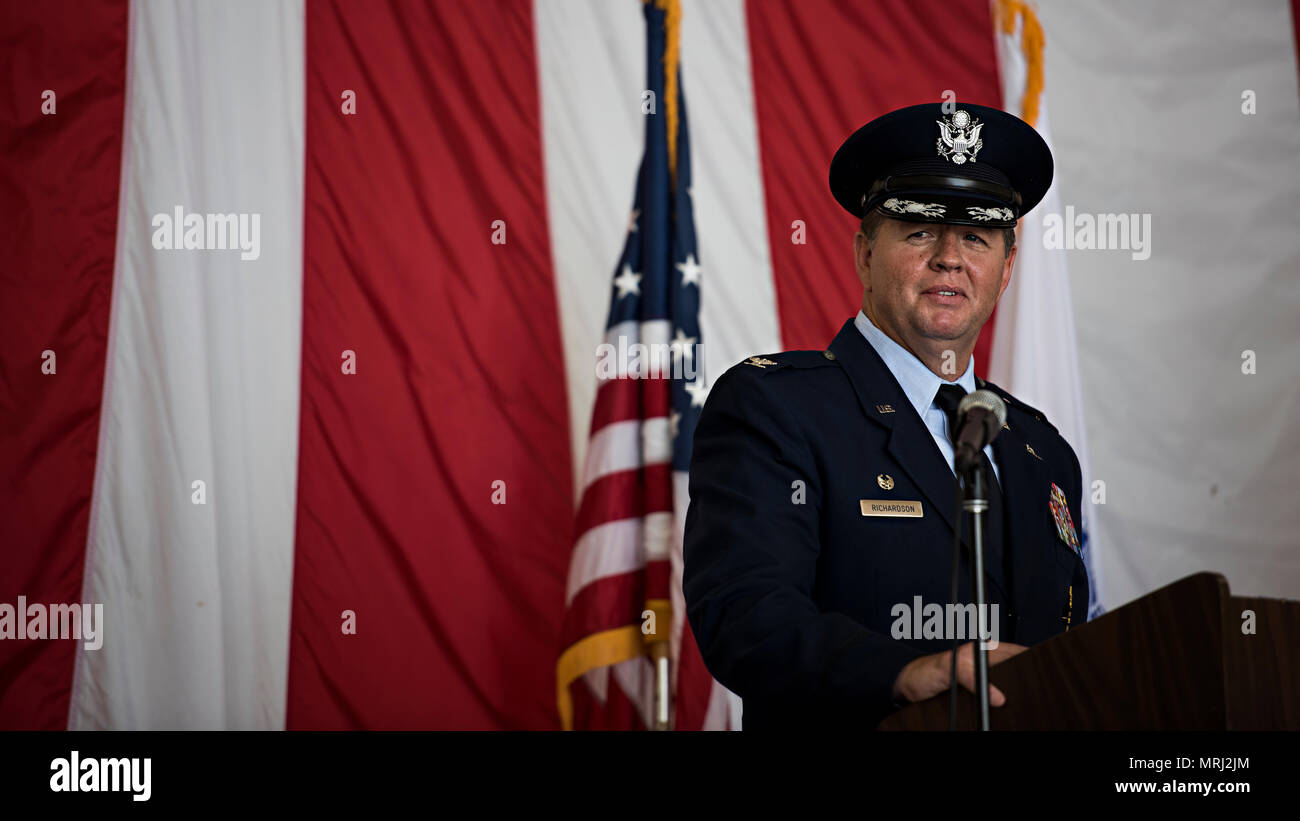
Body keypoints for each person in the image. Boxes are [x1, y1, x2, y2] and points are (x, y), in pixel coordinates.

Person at [682, 102, 1090, 730]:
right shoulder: (775, 407)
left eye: (977, 236)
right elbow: (744, 615)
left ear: (1005, 271)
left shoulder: (1042, 450)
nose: (950, 258)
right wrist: (900, 674)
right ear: (865, 255)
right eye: (921, 231)